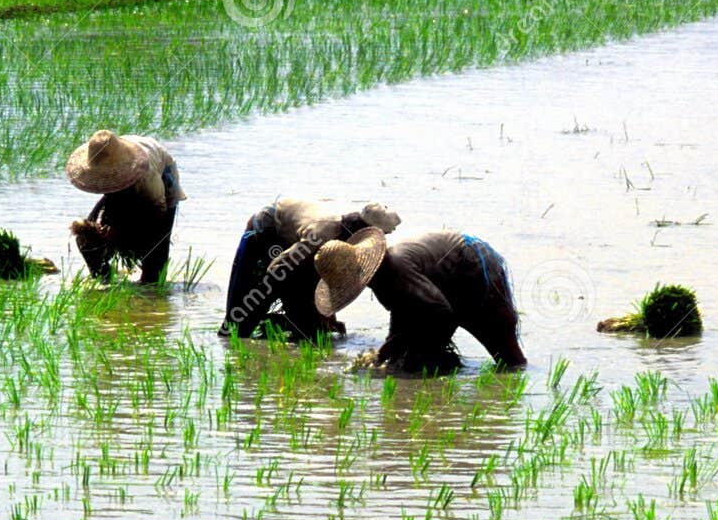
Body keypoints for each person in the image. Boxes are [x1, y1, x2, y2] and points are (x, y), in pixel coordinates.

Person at [313, 228, 527, 372]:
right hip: (451, 282)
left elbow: (440, 312)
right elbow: (403, 310)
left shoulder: (396, 268)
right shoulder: (383, 275)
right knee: (409, 360)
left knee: (510, 360)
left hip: (472, 267)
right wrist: (383, 353)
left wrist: (421, 351)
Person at [219, 197, 402, 340]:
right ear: (364, 229)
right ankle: (243, 329)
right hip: (269, 228)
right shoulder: (322, 234)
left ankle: (290, 322)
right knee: (245, 313)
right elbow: (278, 268)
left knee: (311, 321)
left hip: (299, 235)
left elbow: (328, 273)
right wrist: (294, 302)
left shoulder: (348, 236)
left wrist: (327, 313)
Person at [66, 131, 185, 282]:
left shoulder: (147, 182)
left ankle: (152, 292)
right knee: (86, 240)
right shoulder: (102, 154)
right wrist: (103, 224)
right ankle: (103, 279)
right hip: (126, 171)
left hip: (161, 174)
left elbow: (158, 213)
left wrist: (125, 233)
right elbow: (110, 200)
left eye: (107, 175)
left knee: (155, 253)